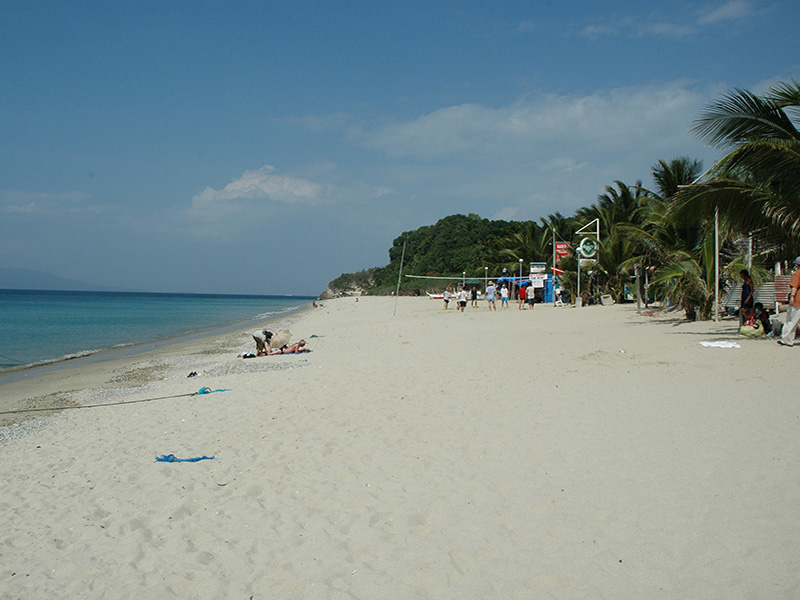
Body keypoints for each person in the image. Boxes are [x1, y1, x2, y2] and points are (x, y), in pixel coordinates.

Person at [779, 257, 800, 346]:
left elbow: (794, 286)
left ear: (797, 265)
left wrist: (792, 296)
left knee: (791, 320)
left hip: (798, 300)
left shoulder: (797, 274)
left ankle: (787, 339)